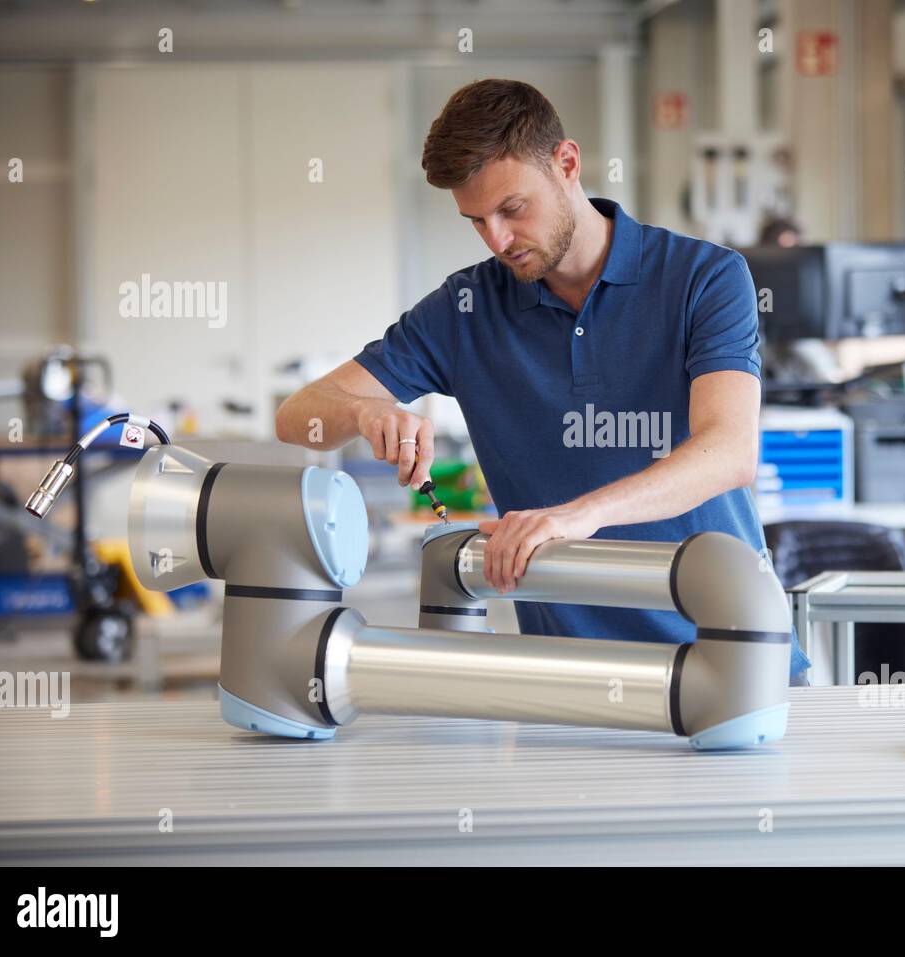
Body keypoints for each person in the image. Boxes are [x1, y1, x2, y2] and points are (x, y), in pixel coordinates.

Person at [276, 78, 811, 683]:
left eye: (512, 209)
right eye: (476, 221)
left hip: (733, 661)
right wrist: (365, 414)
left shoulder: (705, 278)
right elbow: (299, 413)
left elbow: (728, 452)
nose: (498, 240)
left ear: (567, 164)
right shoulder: (467, 307)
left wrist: (577, 517)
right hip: (572, 685)